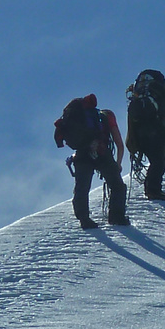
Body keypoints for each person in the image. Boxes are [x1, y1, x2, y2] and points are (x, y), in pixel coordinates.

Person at [53, 93, 129, 228]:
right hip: (101, 152)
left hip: (81, 153)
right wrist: (118, 164)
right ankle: (117, 217)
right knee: (118, 186)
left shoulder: (77, 116)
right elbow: (119, 144)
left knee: (82, 187)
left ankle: (84, 219)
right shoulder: (107, 116)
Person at [124, 69, 165, 200]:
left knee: (155, 161)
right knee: (159, 162)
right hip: (157, 131)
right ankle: (153, 190)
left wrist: (131, 140)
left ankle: (151, 188)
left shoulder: (138, 93)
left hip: (140, 133)